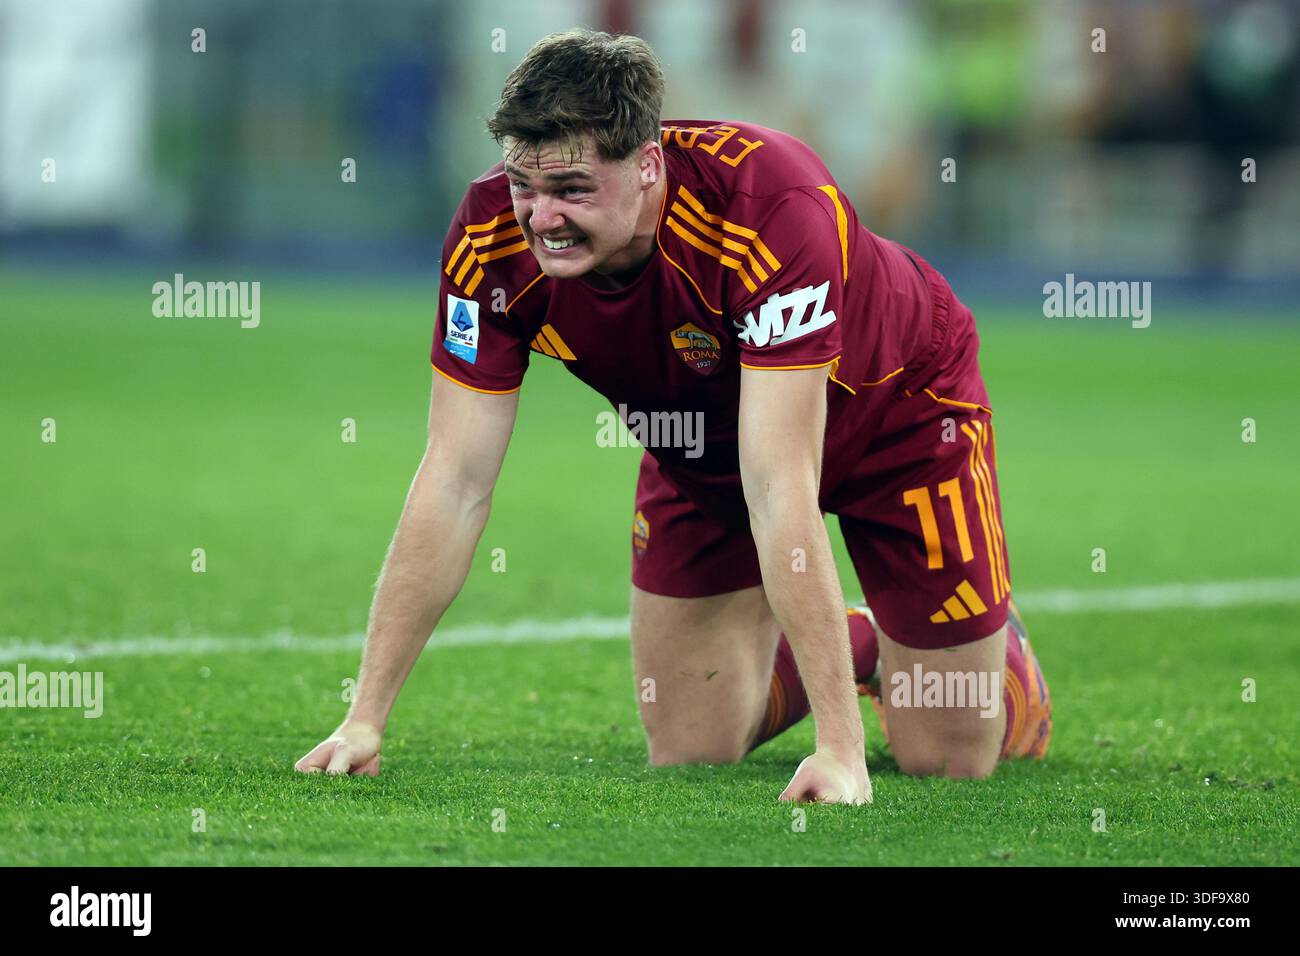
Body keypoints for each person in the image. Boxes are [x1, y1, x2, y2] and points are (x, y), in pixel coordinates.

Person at [296, 29, 1052, 803]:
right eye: (525, 182)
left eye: (573, 188)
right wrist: (364, 719)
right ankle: (864, 640)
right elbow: (454, 480)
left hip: (902, 419)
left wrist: (840, 748)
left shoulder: (772, 206)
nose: (542, 217)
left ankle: (991, 664)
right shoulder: (489, 238)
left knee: (950, 757)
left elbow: (780, 484)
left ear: (648, 165)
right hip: (699, 442)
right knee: (691, 746)